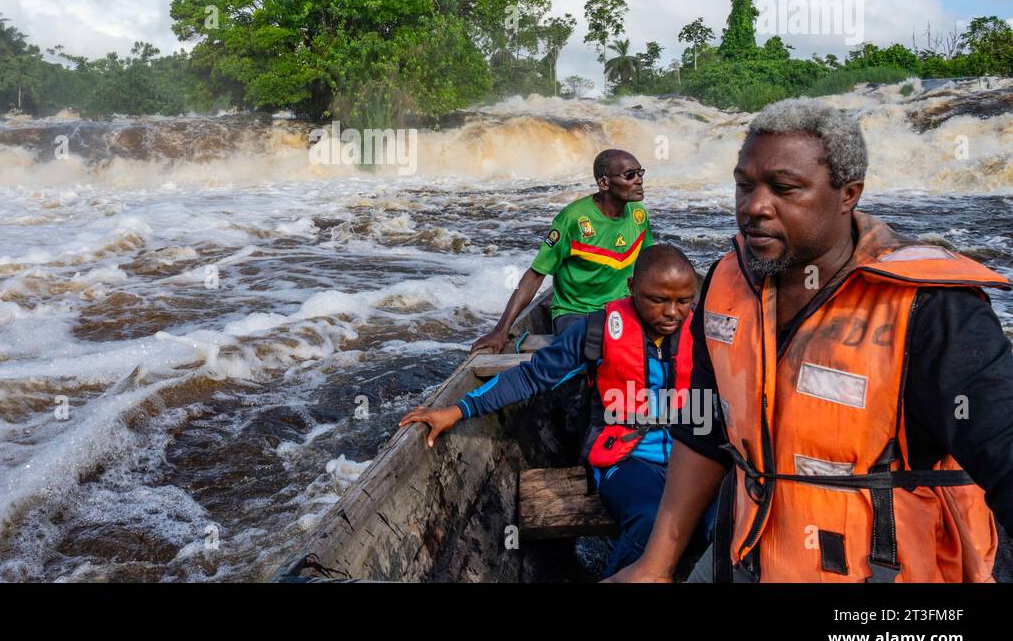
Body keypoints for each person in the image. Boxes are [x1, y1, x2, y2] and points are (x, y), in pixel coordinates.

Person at [607, 99, 1013, 583]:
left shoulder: (931, 308)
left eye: (784, 188)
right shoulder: (724, 283)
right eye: (744, 185)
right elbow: (704, 431)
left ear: (848, 194)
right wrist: (654, 566)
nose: (754, 207)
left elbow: (1002, 449)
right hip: (749, 555)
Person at [400, 244, 710, 577]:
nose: (672, 313)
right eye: (658, 300)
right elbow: (532, 376)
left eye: (683, 300)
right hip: (627, 459)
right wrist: (459, 409)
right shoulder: (598, 330)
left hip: (694, 457)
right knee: (649, 519)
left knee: (723, 525)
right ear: (632, 288)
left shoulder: (707, 333)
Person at [471, 149, 652, 351]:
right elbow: (536, 274)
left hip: (620, 309)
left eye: (640, 173)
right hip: (577, 313)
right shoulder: (571, 220)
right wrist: (501, 330)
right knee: (590, 350)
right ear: (604, 183)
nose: (638, 180)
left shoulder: (638, 214)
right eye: (630, 175)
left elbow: (648, 262)